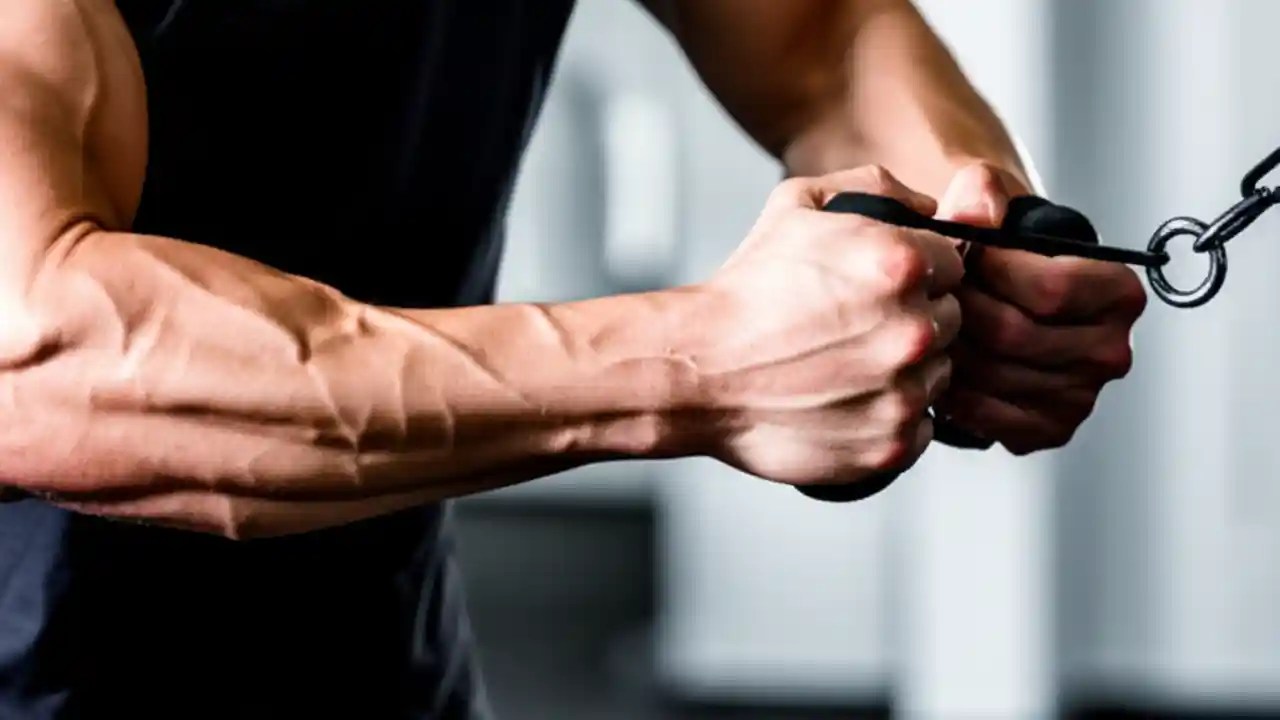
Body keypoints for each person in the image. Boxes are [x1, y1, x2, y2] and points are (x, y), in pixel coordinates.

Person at [0, 0, 1146, 717]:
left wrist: (962, 235)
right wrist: (702, 367)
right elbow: (38, 355)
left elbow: (818, 34)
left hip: (375, 651)